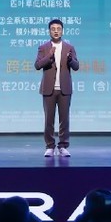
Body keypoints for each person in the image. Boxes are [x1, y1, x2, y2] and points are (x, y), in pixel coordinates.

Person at [35, 18, 79, 158]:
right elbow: (37, 65)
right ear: (49, 31)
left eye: (58, 29)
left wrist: (71, 60)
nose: (56, 31)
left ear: (62, 31)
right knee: (49, 119)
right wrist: (49, 56)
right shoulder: (43, 48)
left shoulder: (69, 47)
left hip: (64, 89)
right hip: (49, 89)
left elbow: (76, 66)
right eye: (53, 29)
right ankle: (50, 146)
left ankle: (63, 146)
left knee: (64, 119)